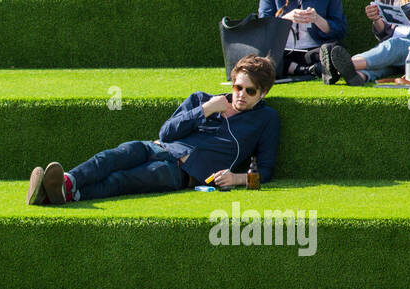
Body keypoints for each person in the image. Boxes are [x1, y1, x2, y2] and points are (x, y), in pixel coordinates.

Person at [27, 55, 279, 204]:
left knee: (122, 179)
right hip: (158, 147)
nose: (241, 95)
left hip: (180, 172)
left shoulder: (265, 119)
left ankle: (52, 194)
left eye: (250, 91)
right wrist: (204, 110)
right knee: (112, 157)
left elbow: (265, 170)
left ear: (263, 93)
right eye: (238, 87)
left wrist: (235, 178)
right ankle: (67, 182)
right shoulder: (202, 99)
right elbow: (166, 133)